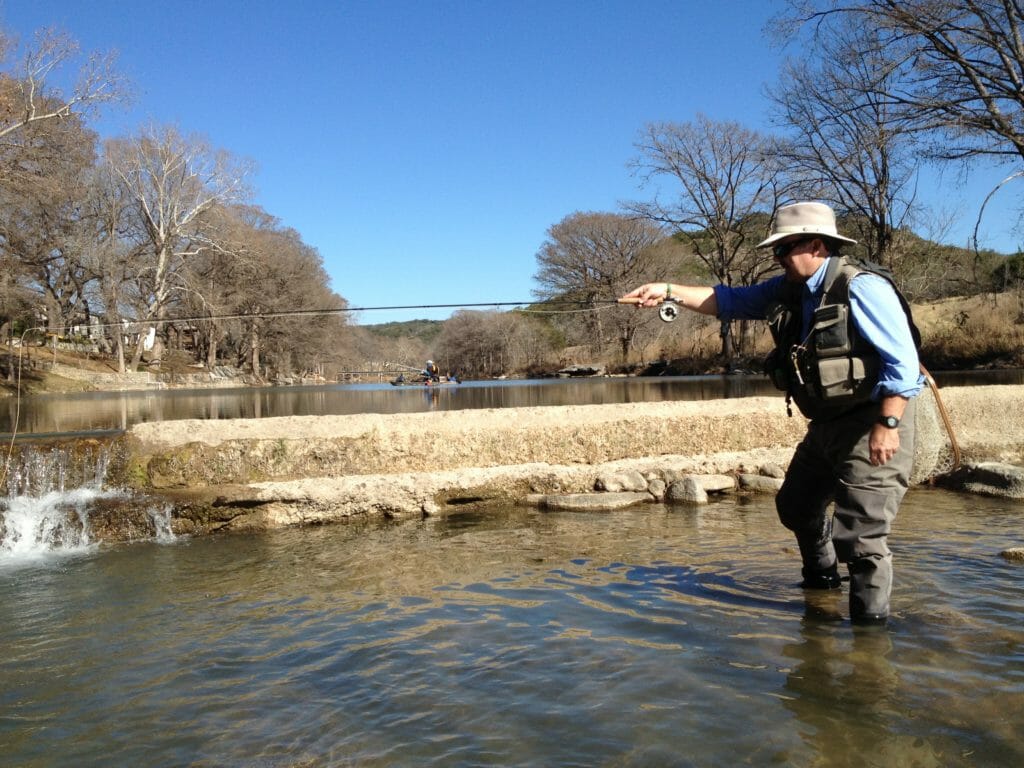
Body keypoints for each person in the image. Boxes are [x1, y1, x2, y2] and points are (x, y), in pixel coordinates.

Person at [621, 201, 924, 626]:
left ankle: (869, 644)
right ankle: (821, 585)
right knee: (796, 505)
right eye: (776, 251)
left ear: (816, 245)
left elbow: (904, 366)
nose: (777, 259)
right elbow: (725, 300)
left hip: (873, 421)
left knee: (861, 538)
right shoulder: (789, 289)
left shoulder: (862, 287)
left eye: (784, 249)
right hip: (826, 424)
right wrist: (667, 291)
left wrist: (888, 424)